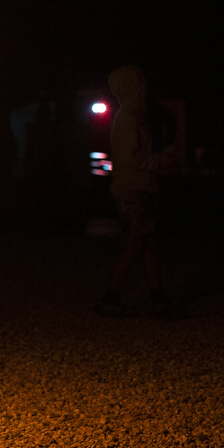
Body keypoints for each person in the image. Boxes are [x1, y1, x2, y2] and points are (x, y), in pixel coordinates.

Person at [95, 64, 175, 317]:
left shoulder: (132, 116)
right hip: (135, 188)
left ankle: (158, 296)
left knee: (146, 241)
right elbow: (130, 158)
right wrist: (160, 160)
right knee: (137, 241)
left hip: (139, 186)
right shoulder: (129, 118)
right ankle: (110, 295)